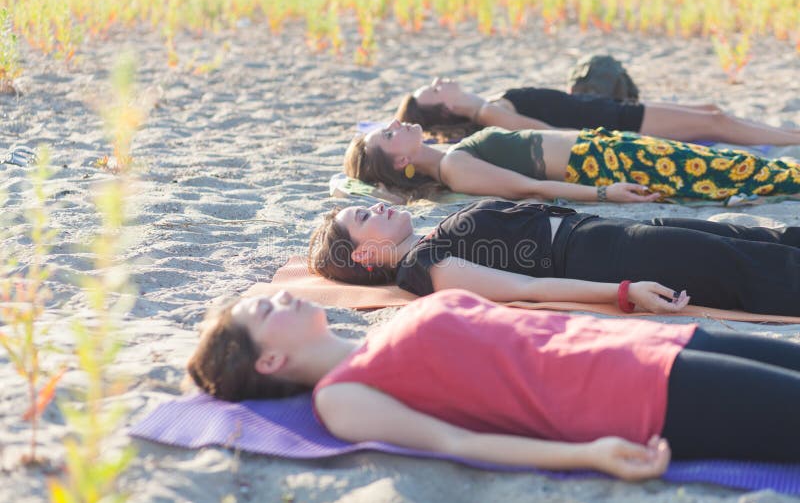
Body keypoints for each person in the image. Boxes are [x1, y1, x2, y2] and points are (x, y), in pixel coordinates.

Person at [186, 288, 800, 481]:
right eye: (264, 310)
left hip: (655, 344)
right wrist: (587, 456)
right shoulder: (341, 396)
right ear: (267, 362)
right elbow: (455, 443)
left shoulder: (380, 331)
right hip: (642, 397)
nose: (278, 294)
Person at [308, 200, 800, 316]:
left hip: (606, 231)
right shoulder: (423, 266)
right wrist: (623, 292)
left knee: (757, 240)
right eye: (363, 214)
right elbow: (526, 290)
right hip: (608, 255)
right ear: (366, 254)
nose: (377, 205)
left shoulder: (430, 237)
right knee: (748, 268)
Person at [344, 119, 800, 203]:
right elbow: (530, 189)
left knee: (719, 166)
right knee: (729, 172)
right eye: (387, 135)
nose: (395, 125)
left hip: (605, 148)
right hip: (604, 165)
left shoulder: (451, 156)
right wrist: (605, 194)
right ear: (401, 158)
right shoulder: (455, 168)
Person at [397, 77, 800, 146]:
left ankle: (787, 136)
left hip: (618, 108)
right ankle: (793, 139)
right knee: (717, 123)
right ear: (446, 106)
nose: (440, 80)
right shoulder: (492, 114)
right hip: (621, 122)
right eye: (434, 90)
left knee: (712, 111)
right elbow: (545, 131)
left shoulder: (491, 103)